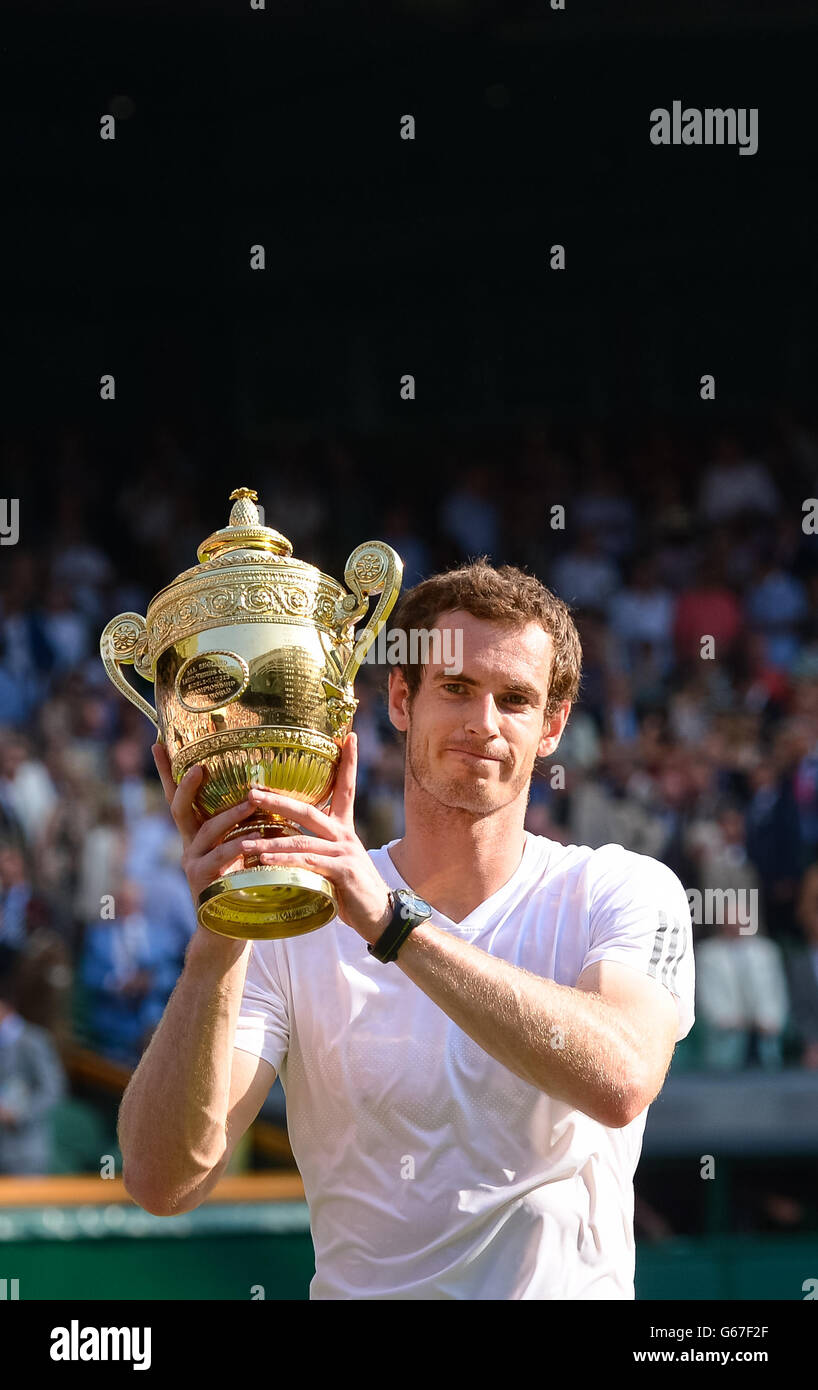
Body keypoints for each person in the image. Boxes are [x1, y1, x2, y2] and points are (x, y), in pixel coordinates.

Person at [118, 560, 695, 1300]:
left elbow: (619, 1081)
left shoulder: (622, 887)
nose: (483, 723)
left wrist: (392, 923)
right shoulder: (294, 923)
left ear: (552, 726)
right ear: (400, 698)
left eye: (515, 699)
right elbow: (165, 1182)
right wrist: (218, 940)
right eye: (456, 689)